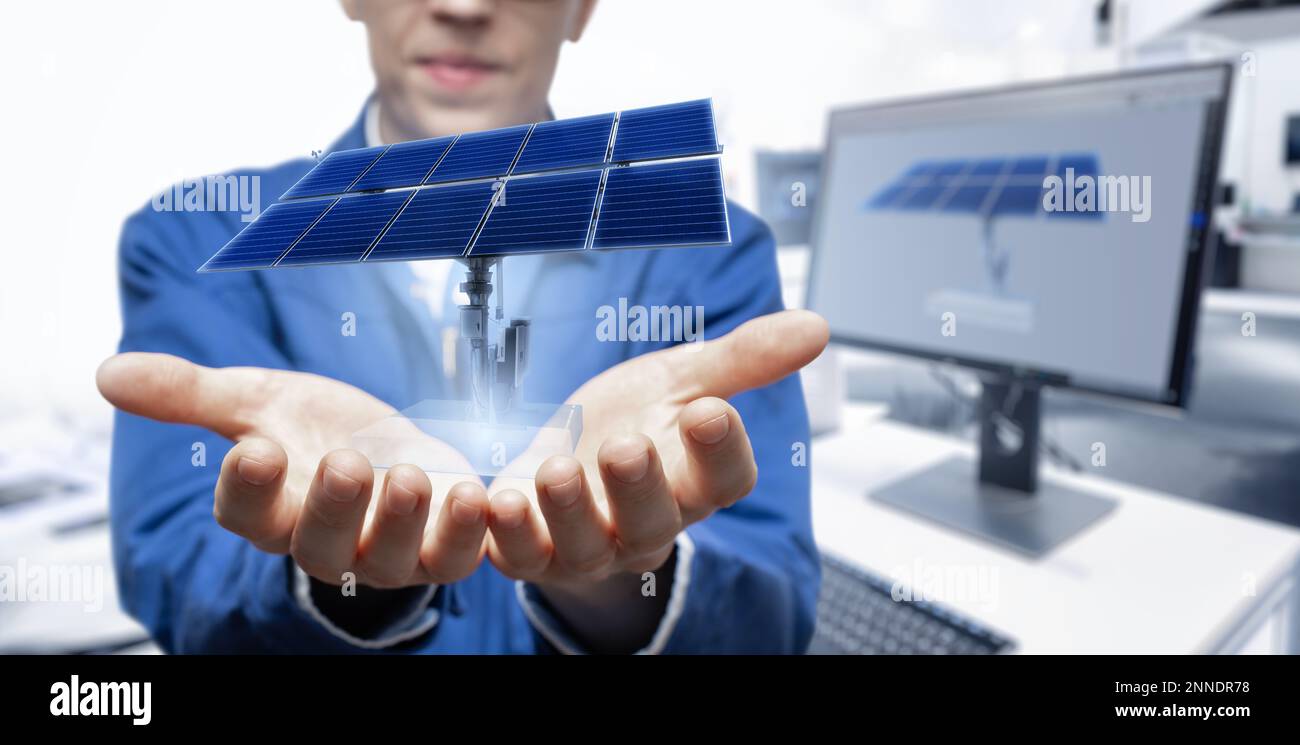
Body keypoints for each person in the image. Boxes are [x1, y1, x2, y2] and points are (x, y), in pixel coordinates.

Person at [96, 0, 828, 654]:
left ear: (584, 9)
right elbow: (180, 581)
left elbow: (771, 615)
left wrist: (619, 577)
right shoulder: (202, 239)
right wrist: (344, 583)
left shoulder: (710, 248)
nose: (465, 6)